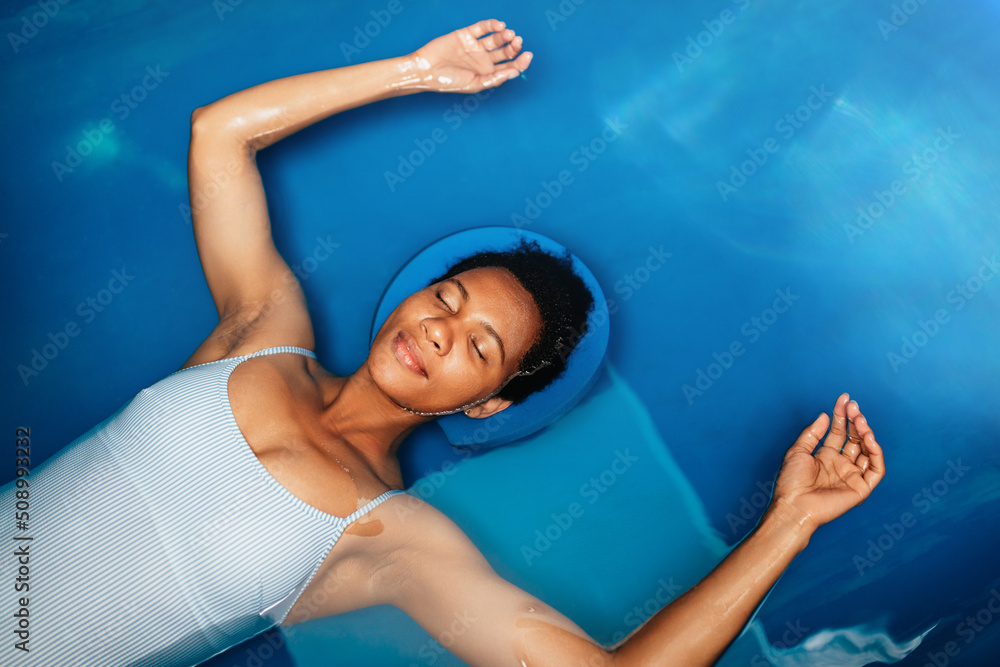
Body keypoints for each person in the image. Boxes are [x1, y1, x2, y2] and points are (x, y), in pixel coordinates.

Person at [1, 19, 885, 667]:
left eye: (480, 345)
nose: (439, 328)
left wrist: (790, 523)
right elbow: (218, 133)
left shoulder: (394, 539)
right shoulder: (263, 330)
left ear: (488, 402)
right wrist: (413, 72)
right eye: (447, 298)